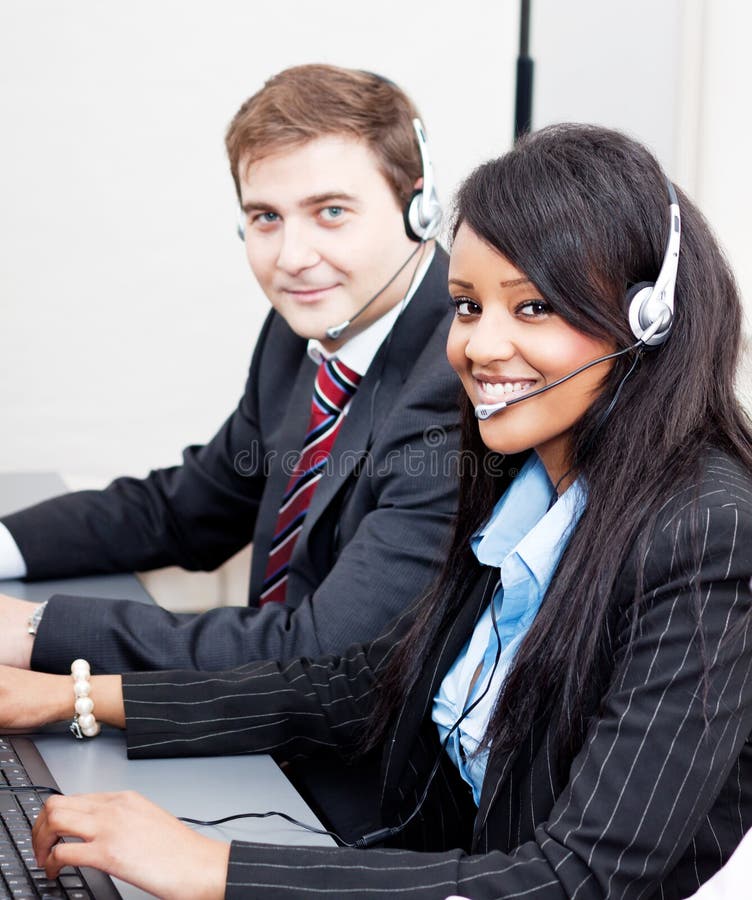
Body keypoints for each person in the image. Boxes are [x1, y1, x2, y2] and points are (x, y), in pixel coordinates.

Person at [2, 123, 751, 899]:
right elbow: (368, 684)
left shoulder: (705, 535)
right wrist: (76, 698)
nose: (481, 347)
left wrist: (209, 868)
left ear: (647, 320)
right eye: (466, 306)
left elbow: (574, 880)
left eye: (532, 308)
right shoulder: (521, 471)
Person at [0, 64, 460, 673]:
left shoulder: (455, 374)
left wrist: (37, 630)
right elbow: (185, 511)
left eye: (330, 212)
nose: (291, 259)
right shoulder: (303, 333)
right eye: (267, 217)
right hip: (259, 719)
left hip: (354, 753)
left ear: (418, 208)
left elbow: (322, 648)